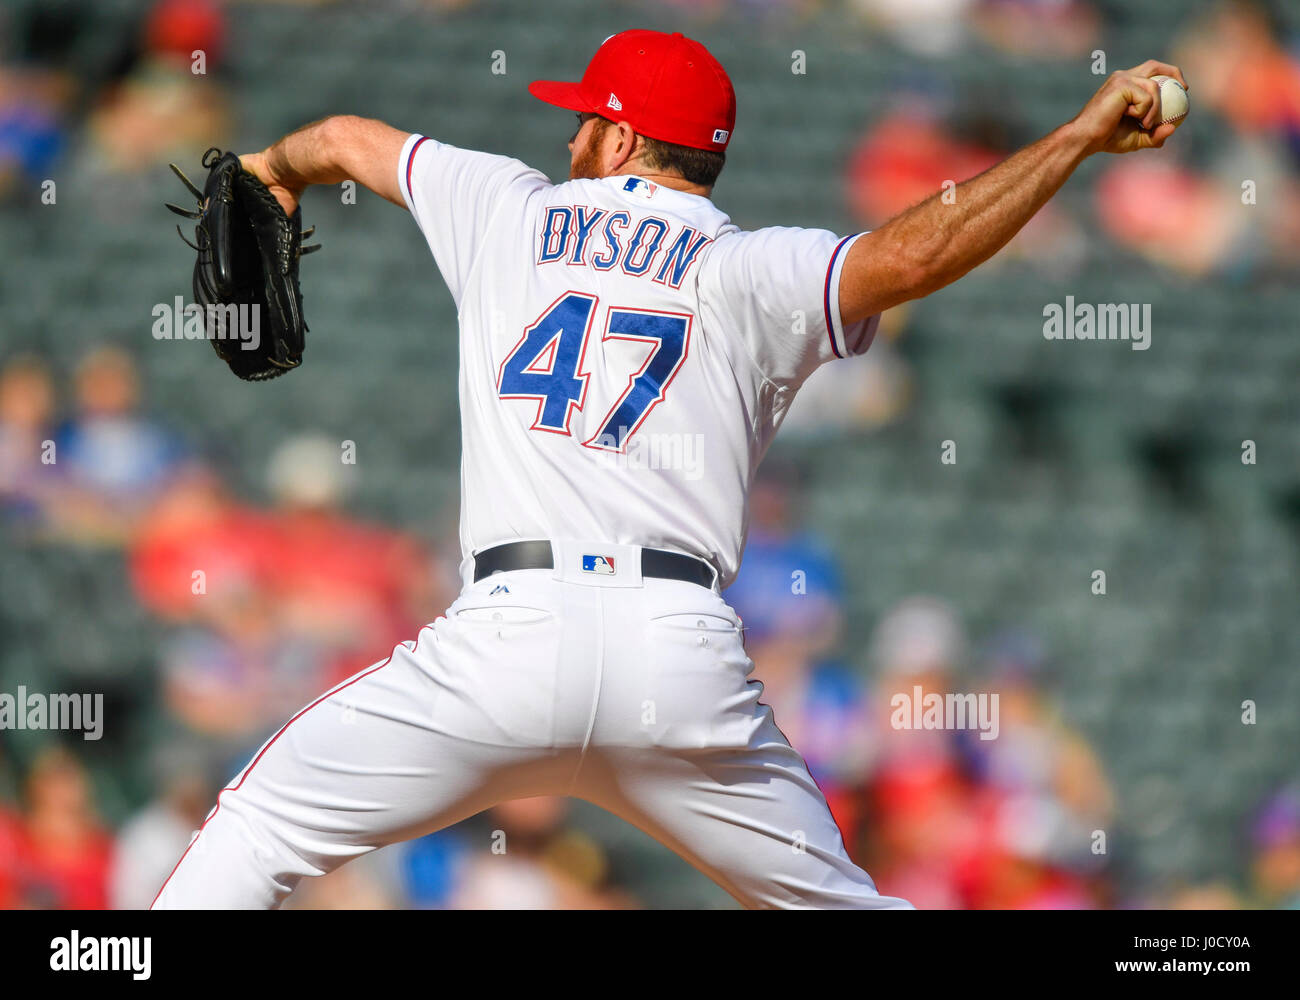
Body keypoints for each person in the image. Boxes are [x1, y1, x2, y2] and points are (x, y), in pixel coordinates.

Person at [152, 29, 1186, 910]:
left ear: (621, 137)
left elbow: (338, 139)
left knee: (258, 827)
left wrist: (274, 169)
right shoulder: (749, 267)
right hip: (677, 662)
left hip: (507, 641)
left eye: (582, 120)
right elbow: (917, 253)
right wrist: (1076, 138)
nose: (567, 137)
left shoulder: (504, 206)